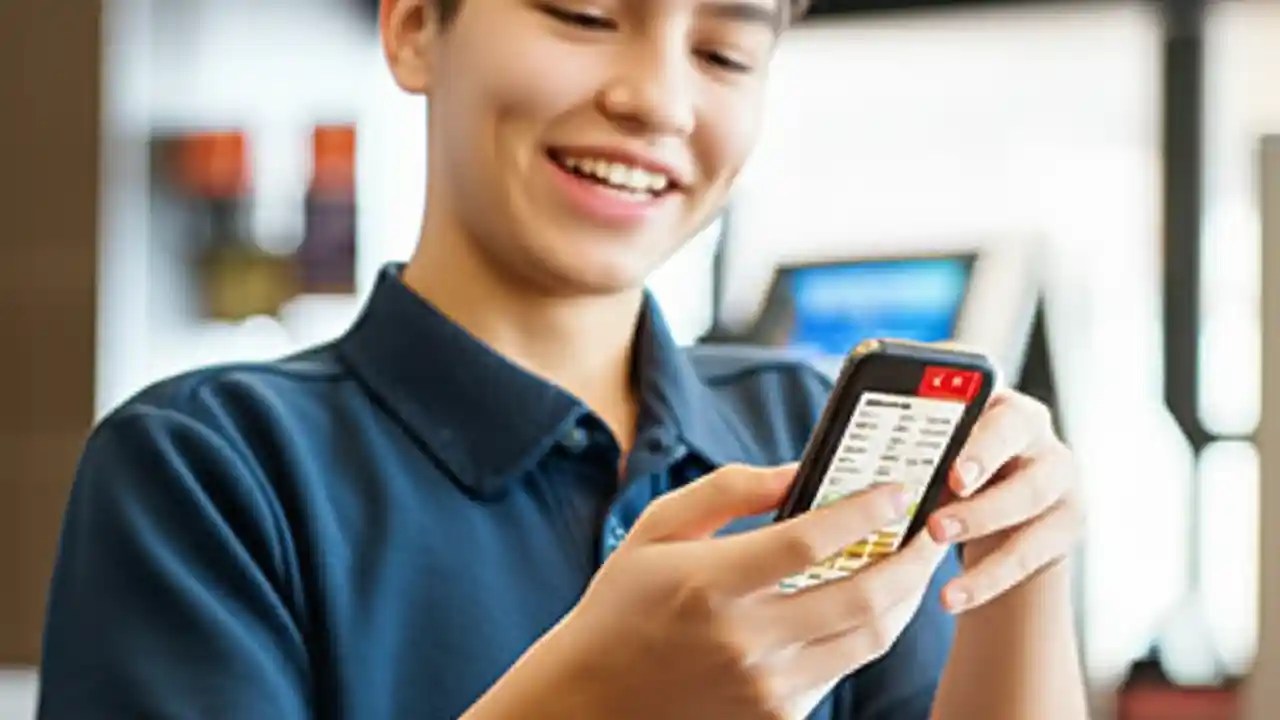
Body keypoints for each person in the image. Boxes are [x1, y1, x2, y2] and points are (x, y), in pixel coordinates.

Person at [39, 0, 1088, 717]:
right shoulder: (208, 469)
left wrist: (1017, 564)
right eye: (584, 14)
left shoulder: (801, 437)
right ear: (412, 25)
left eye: (721, 53)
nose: (657, 100)